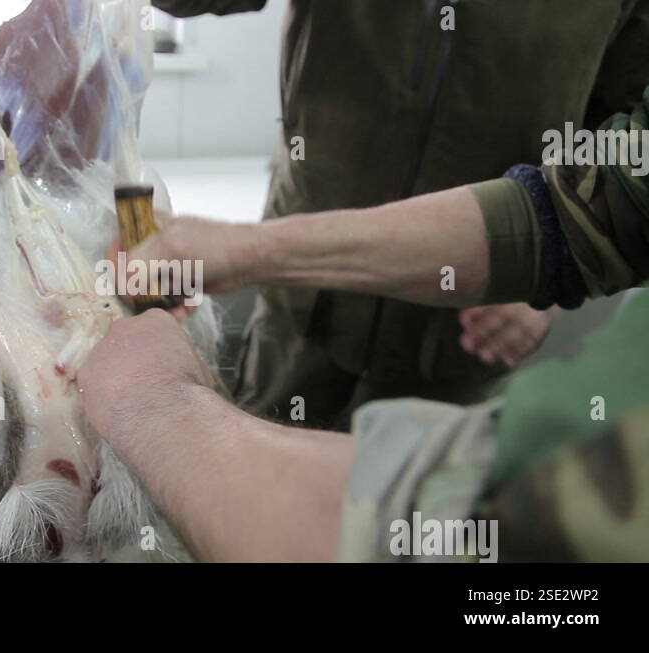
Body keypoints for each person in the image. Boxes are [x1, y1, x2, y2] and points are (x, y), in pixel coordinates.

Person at [76, 85, 649, 562]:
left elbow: (474, 538)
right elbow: (580, 208)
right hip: (305, 326)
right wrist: (249, 251)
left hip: (450, 351)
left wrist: (153, 402)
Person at [152, 0, 649, 430]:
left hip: (471, 328)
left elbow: (620, 145)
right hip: (302, 312)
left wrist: (552, 262)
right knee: (254, 504)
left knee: (424, 525)